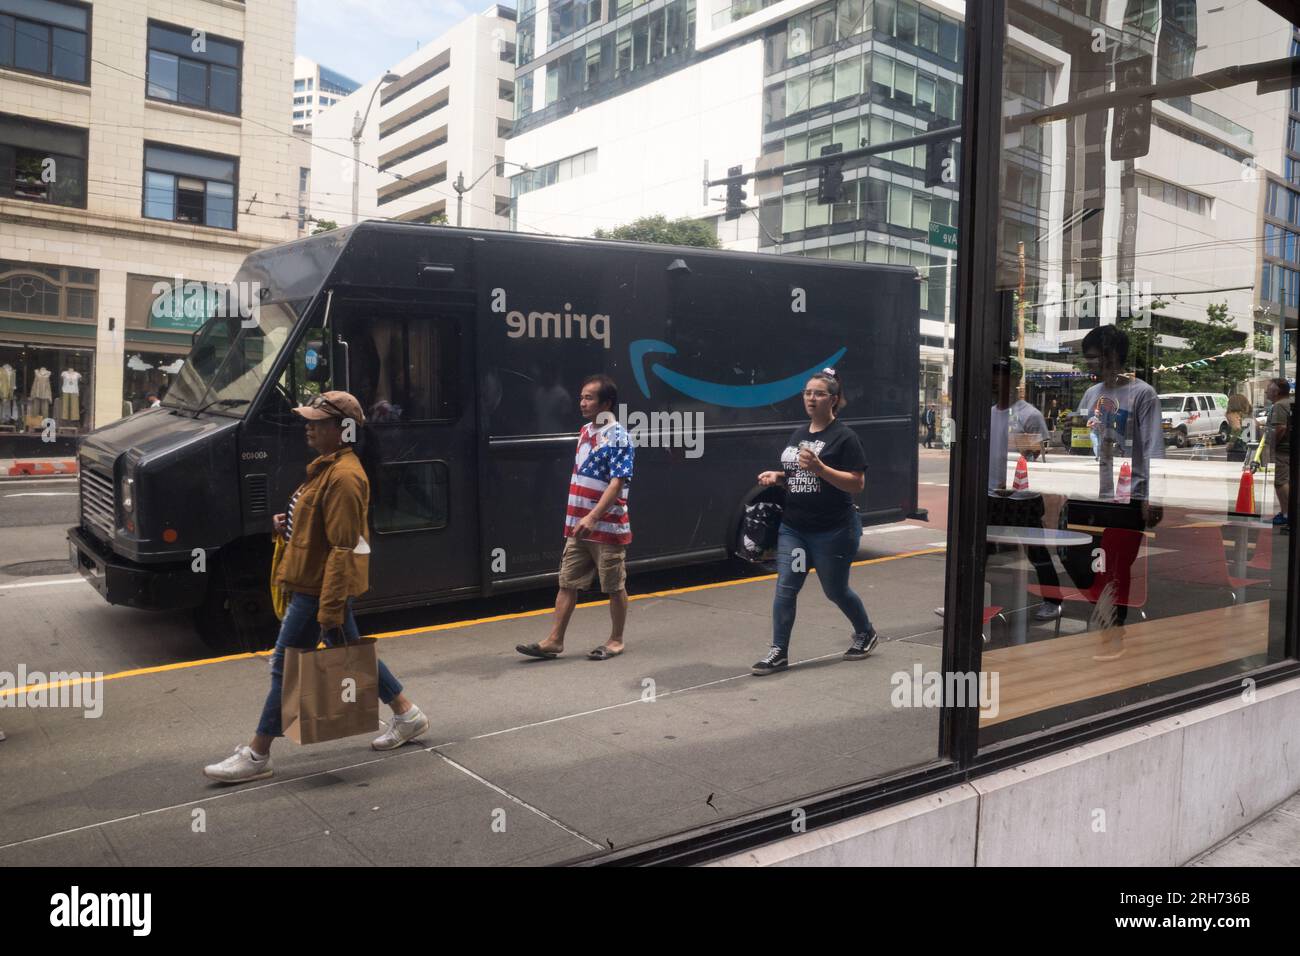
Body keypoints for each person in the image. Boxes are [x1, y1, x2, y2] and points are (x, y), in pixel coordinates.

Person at [204, 391, 429, 783]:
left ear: (342, 429)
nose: (307, 426)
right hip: (315, 581)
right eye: (308, 419)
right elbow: (322, 528)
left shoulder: (343, 476)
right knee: (349, 652)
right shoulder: (329, 467)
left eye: (316, 421)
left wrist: (329, 605)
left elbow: (342, 548)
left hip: (320, 587)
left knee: (283, 666)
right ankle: (407, 714)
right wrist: (288, 523)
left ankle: (257, 754)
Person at [751, 369, 878, 675]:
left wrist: (821, 468)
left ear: (833, 400)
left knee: (835, 590)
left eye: (818, 393)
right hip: (795, 529)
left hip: (833, 530)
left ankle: (866, 632)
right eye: (807, 392)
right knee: (785, 588)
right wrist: (779, 475)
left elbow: (856, 483)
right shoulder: (800, 434)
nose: (811, 398)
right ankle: (778, 652)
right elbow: (798, 474)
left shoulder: (845, 437)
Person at [517, 374, 634, 661]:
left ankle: (616, 639)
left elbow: (617, 483)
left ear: (606, 403)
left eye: (589, 398)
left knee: (614, 585)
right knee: (567, 581)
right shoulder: (584, 431)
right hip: (578, 526)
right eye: (582, 397)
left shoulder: (618, 436)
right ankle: (554, 640)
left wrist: (593, 517)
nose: (582, 402)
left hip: (606, 526)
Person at [1065, 325, 1165, 660]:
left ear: (1112, 356)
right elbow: (1080, 445)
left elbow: (1153, 448)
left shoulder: (1142, 394)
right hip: (1092, 495)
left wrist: (1154, 496)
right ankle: (1105, 617)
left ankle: (1112, 634)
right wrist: (1069, 435)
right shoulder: (1091, 396)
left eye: (1093, 357)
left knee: (1115, 567)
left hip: (1129, 497)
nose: (1089, 365)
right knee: (1075, 557)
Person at [989, 361, 1063, 626]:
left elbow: (1037, 457)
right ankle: (970, 599)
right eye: (994, 376)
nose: (996, 381)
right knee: (978, 551)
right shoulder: (987, 413)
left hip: (1022, 498)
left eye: (1002, 376)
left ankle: (1053, 600)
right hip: (992, 495)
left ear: (1015, 380)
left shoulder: (1029, 414)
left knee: (1037, 552)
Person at [1264, 378, 1292, 532]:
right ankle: (1287, 513)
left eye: (1268, 388)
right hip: (1288, 450)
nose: (1266, 391)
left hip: (1283, 450)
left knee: (1281, 482)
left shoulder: (1280, 406)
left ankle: (1287, 514)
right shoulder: (1287, 403)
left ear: (1276, 392)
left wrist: (1272, 445)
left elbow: (1280, 428)